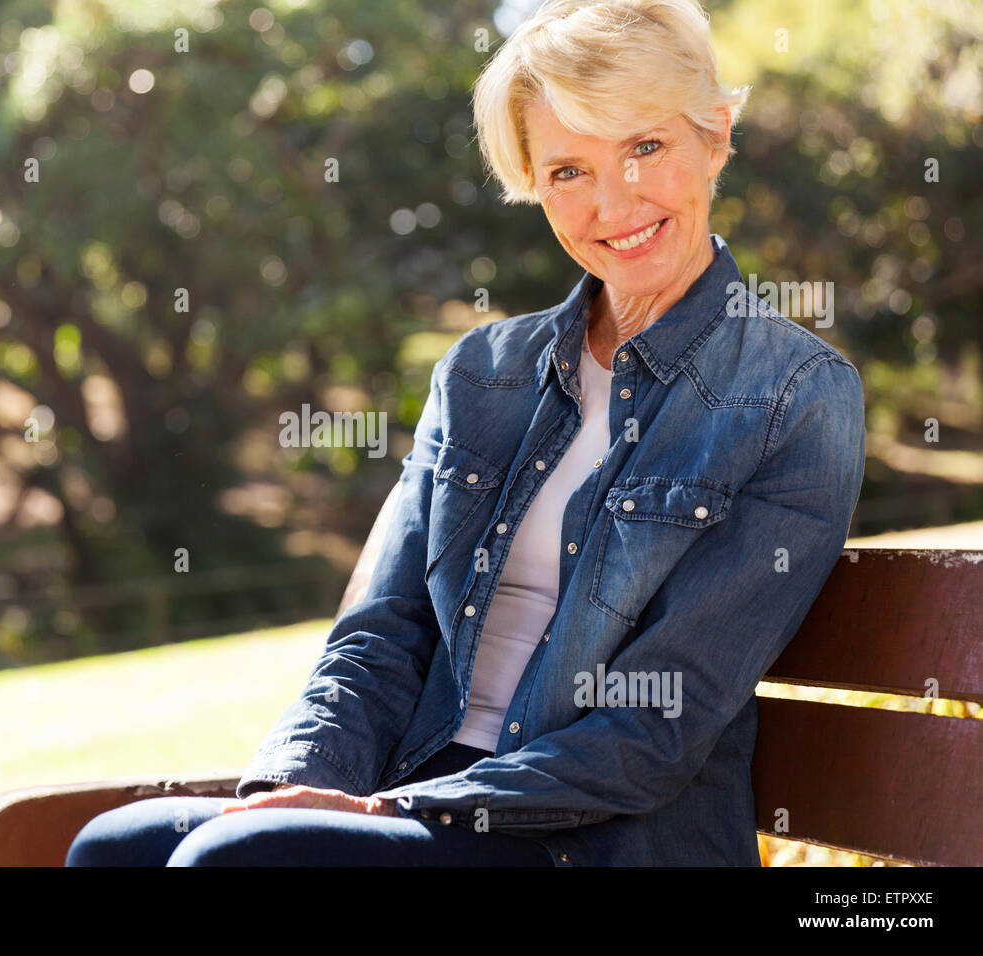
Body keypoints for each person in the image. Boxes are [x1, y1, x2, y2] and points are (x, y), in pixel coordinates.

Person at [66, 0, 866, 866]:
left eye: (645, 146)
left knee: (232, 862)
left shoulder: (795, 396)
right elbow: (379, 635)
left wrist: (395, 809)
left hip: (593, 841)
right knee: (115, 849)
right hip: (421, 800)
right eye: (568, 170)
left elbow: (655, 726)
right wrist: (294, 789)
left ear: (715, 136)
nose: (613, 202)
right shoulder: (482, 374)